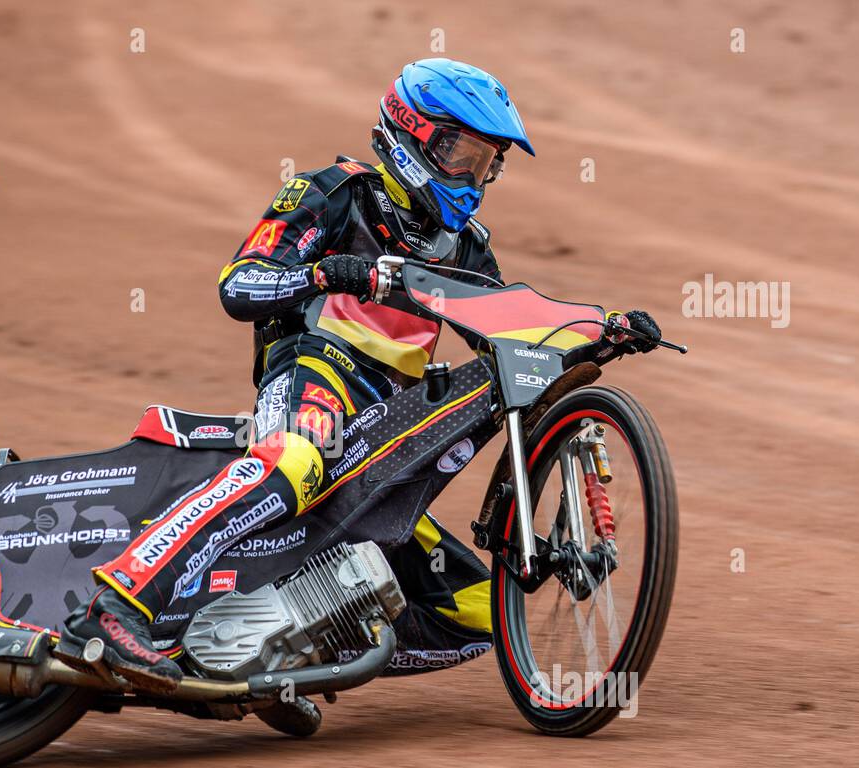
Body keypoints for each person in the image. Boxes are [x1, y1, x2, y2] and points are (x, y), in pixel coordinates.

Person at [55, 58, 661, 694]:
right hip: (315, 373)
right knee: (294, 461)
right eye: (464, 156)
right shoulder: (333, 191)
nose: (474, 179)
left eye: (488, 164)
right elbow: (239, 285)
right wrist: (326, 274)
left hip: (390, 429)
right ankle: (114, 607)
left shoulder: (465, 246)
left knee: (485, 613)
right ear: (414, 134)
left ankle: (286, 659)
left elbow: (508, 330)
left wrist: (601, 329)